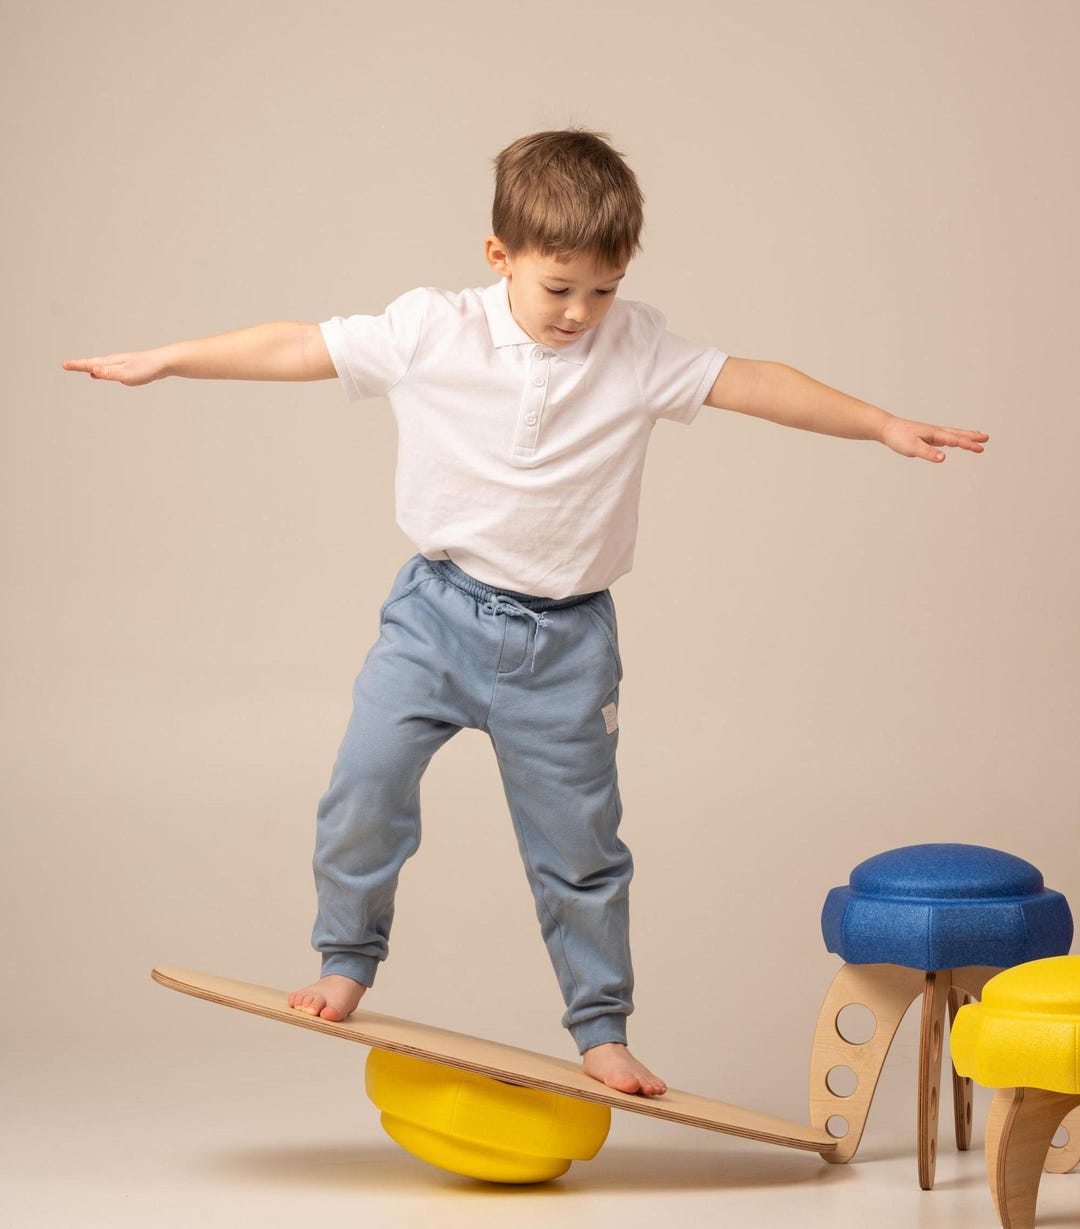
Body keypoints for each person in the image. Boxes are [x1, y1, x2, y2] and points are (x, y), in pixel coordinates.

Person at [62, 127, 988, 1099]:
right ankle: (346, 958)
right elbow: (299, 342)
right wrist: (169, 357)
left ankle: (602, 1027)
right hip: (436, 618)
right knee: (363, 787)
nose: (582, 312)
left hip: (567, 643)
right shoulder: (431, 329)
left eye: (604, 288)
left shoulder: (636, 348)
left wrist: (881, 421)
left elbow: (752, 381)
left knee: (582, 848)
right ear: (499, 256)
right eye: (560, 288)